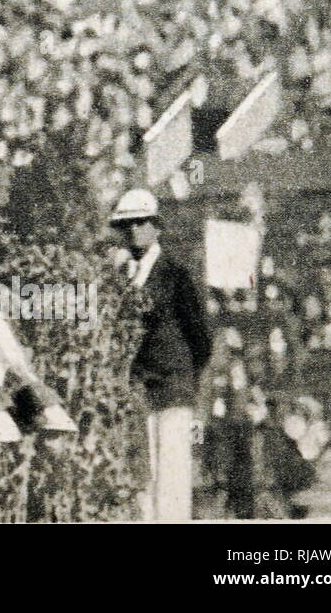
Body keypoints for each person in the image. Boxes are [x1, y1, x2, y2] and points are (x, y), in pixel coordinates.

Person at [109, 187, 213, 522]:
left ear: (156, 226)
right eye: (127, 225)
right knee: (144, 467)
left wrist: (183, 373)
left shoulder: (175, 274)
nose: (134, 231)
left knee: (172, 467)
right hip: (138, 385)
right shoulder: (123, 275)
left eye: (141, 223)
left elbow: (200, 336)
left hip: (171, 382)